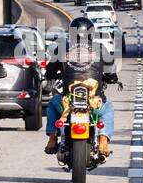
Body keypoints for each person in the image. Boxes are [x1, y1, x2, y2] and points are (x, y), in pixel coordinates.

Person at [44, 16, 118, 156]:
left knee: (53, 104)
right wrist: (112, 78)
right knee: (108, 109)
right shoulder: (100, 48)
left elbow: (50, 71)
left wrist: (50, 76)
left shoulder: (61, 48)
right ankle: (103, 141)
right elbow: (111, 72)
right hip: (93, 103)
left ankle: (52, 138)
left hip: (67, 103)